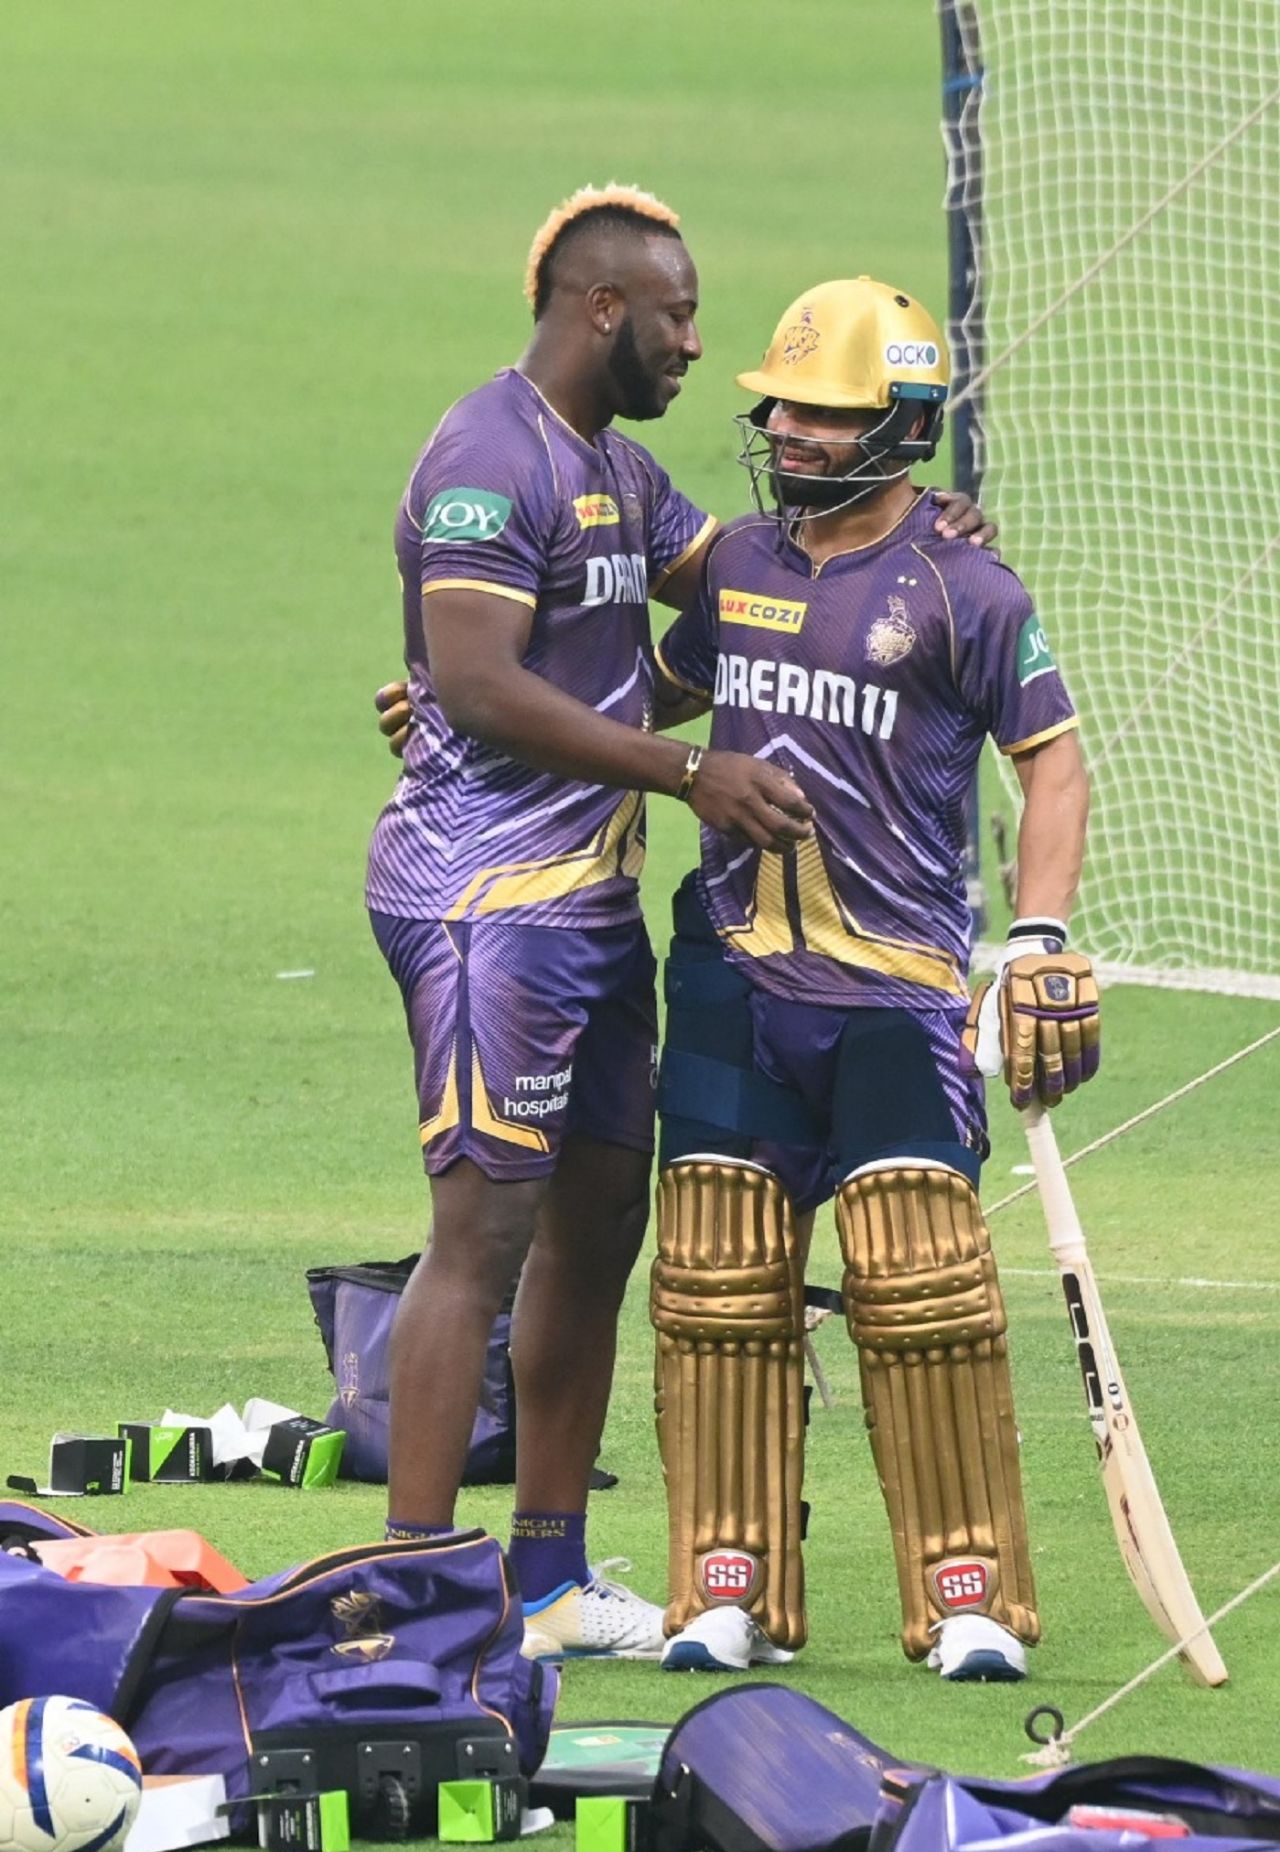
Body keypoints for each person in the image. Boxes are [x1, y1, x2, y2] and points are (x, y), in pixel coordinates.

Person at [368, 185, 995, 1663]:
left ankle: (546, 1580)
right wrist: (687, 770)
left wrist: (921, 529)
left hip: (587, 909)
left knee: (599, 1228)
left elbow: (765, 585)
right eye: (678, 316)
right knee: (484, 1234)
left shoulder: (622, 473)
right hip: (481, 904)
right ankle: (410, 1599)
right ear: (604, 310)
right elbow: (476, 685)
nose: (698, 345)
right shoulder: (484, 455)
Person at [646, 275, 1099, 1682]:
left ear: (897, 423)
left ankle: (969, 1593)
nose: (783, 427)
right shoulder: (738, 566)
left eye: (820, 413)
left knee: (923, 1282)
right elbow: (646, 697)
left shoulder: (969, 587)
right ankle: (724, 1584)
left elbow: (1056, 764)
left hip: (895, 988)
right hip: (731, 972)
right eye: (778, 406)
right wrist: (472, 699)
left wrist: (1035, 939)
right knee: (718, 1277)